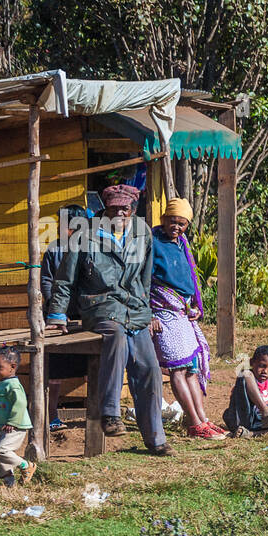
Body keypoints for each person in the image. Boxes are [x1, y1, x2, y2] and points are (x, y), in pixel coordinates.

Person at [46, 183, 171, 456]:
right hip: (99, 308)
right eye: (114, 209)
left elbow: (144, 279)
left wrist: (147, 311)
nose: (119, 213)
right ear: (104, 209)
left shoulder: (143, 234)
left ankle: (156, 439)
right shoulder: (85, 236)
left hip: (134, 310)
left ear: (133, 209)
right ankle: (110, 414)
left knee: (149, 367)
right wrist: (57, 315)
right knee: (115, 335)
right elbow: (64, 279)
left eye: (124, 209)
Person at [149, 197, 224, 439]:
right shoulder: (151, 242)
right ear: (163, 219)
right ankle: (193, 422)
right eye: (173, 221)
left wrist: (195, 304)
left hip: (182, 313)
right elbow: (140, 279)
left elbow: (189, 276)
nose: (177, 227)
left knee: (192, 368)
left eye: (182, 224)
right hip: (162, 312)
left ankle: (202, 420)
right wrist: (147, 314)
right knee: (177, 369)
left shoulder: (182, 243)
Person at [40, 204, 89, 430]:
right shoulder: (54, 250)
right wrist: (55, 312)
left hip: (85, 317)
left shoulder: (91, 249)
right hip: (58, 320)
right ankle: (50, 417)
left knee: (93, 365)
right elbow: (47, 282)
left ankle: (97, 416)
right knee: (54, 371)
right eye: (66, 226)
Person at [0, 345, 36, 487]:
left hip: (15, 426)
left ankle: (26, 465)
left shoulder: (13, 385)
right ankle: (9, 483)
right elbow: (2, 402)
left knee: (3, 451)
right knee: (0, 455)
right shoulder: (4, 383)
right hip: (5, 425)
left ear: (12, 366)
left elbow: (20, 403)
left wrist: (13, 422)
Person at [223, 346, 268, 437]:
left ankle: (252, 434)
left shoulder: (266, 381)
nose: (265, 371)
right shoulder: (247, 378)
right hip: (242, 419)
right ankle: (267, 413)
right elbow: (257, 411)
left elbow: (260, 414)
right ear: (252, 362)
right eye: (262, 366)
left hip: (257, 423)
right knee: (245, 373)